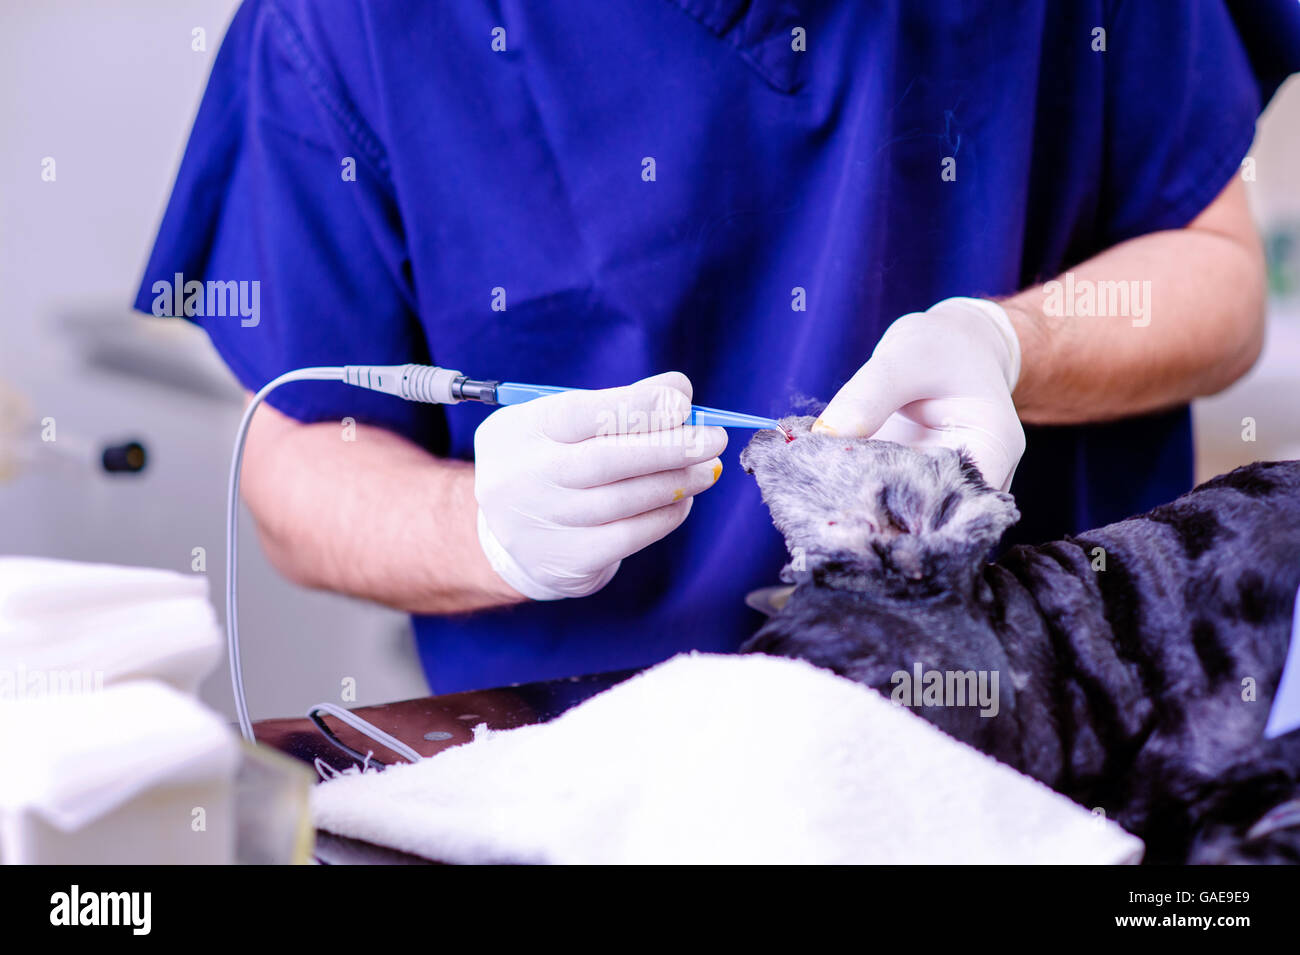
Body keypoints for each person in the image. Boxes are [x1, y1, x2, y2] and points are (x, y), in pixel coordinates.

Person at [137, 0, 1300, 693]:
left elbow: (1214, 276)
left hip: (1044, 756)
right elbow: (298, 468)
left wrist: (1008, 345)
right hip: (588, 790)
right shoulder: (355, 32)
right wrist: (490, 533)